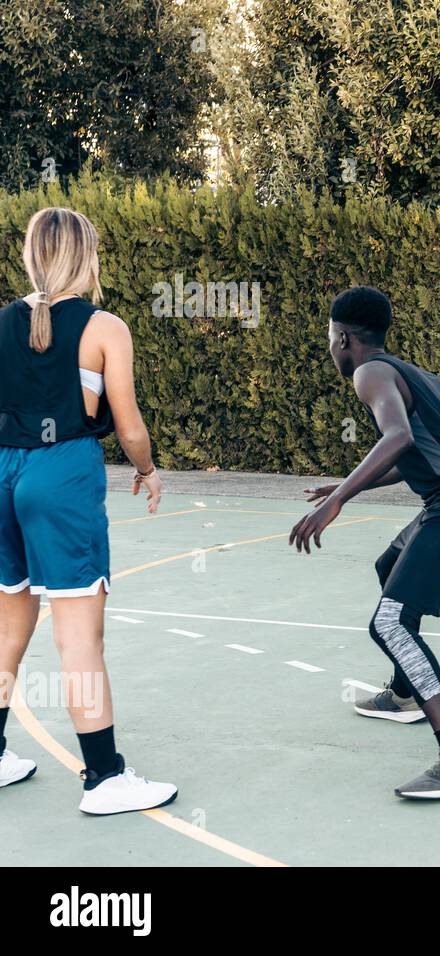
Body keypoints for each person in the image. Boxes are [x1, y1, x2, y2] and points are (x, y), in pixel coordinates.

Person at [291, 286, 440, 798]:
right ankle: (404, 693)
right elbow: (421, 452)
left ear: (343, 337)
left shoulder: (370, 374)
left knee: (388, 622)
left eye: (330, 338)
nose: (331, 347)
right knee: (388, 567)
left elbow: (398, 440)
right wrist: (349, 483)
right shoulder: (414, 373)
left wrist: (337, 500)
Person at [0, 207, 176, 813]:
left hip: (2, 472)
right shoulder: (105, 327)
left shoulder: (2, 322)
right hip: (61, 473)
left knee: (5, 628)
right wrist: (148, 471)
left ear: (32, 255)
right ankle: (103, 778)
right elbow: (127, 425)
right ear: (87, 254)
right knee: (80, 637)